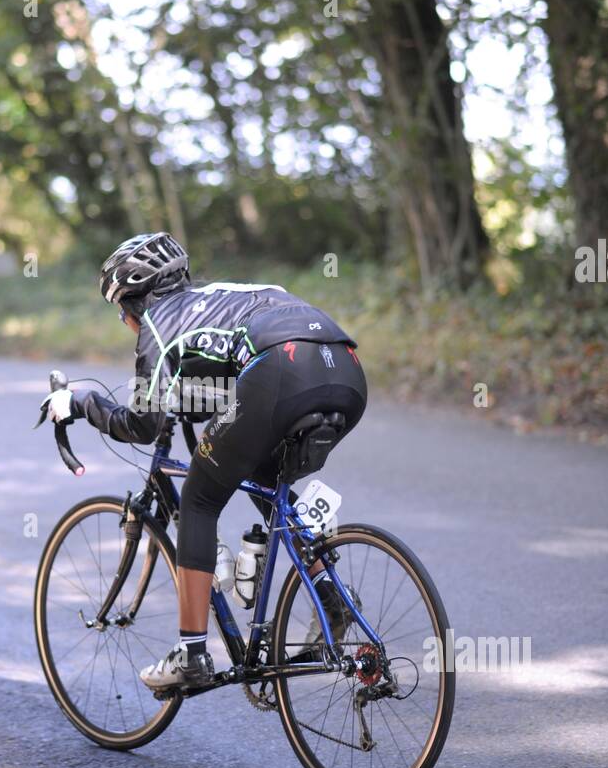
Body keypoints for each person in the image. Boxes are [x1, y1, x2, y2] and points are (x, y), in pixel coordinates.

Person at [42, 233, 367, 692]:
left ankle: (191, 652)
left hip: (281, 371)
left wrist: (82, 402)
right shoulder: (217, 299)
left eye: (121, 312)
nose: (125, 321)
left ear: (135, 301)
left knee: (198, 498)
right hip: (346, 370)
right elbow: (223, 381)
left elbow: (143, 424)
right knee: (261, 472)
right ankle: (332, 595)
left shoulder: (158, 322)